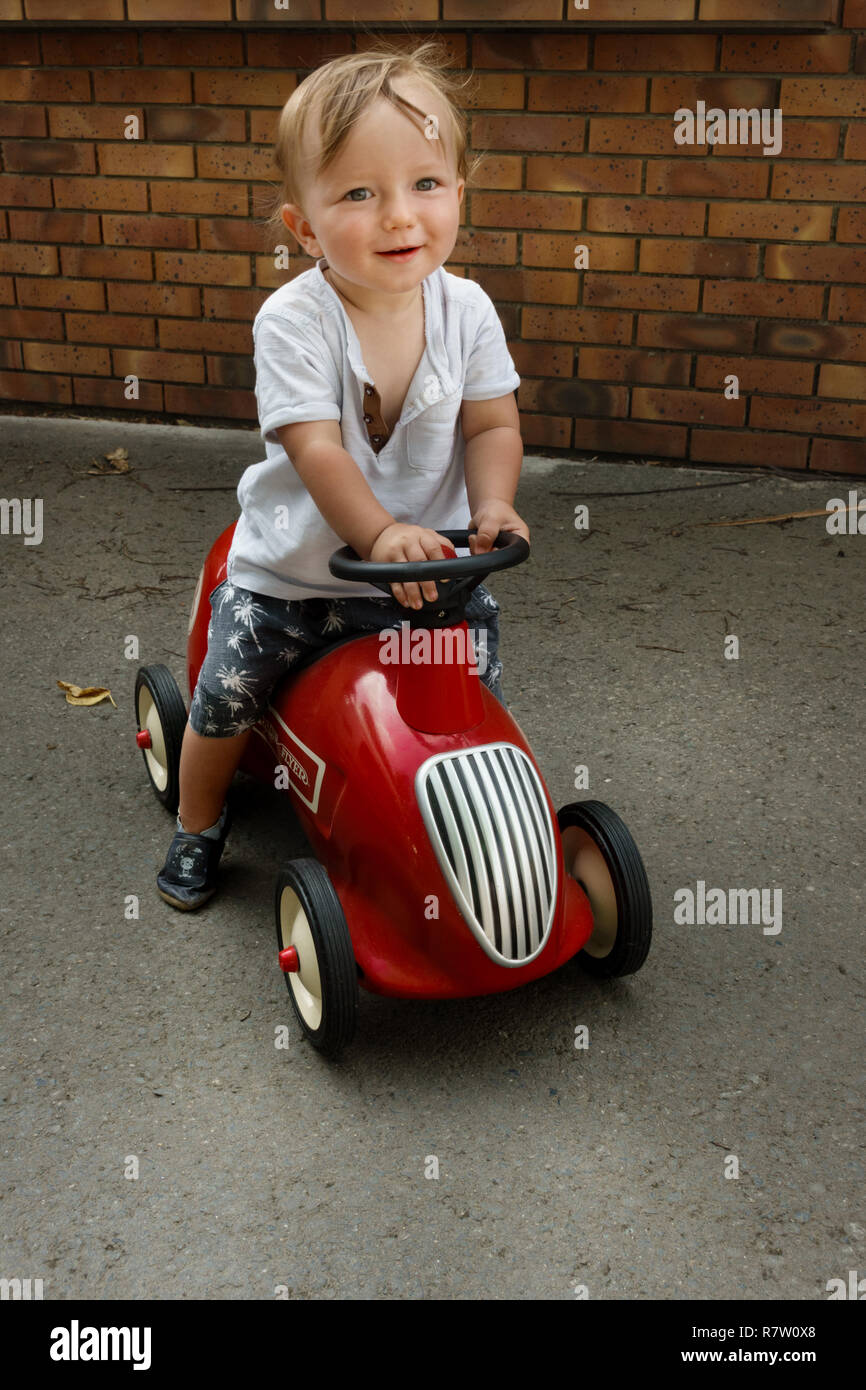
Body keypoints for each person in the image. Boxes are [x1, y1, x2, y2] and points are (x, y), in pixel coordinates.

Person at [157, 41, 530, 910]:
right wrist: (377, 532)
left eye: (424, 185)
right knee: (228, 693)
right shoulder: (292, 322)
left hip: (431, 571)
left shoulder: (468, 310)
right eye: (360, 193)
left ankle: (463, 835)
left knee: (470, 704)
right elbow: (317, 447)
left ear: (459, 194)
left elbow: (493, 420)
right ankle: (199, 821)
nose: (400, 216)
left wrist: (494, 504)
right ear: (305, 226)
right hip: (300, 572)